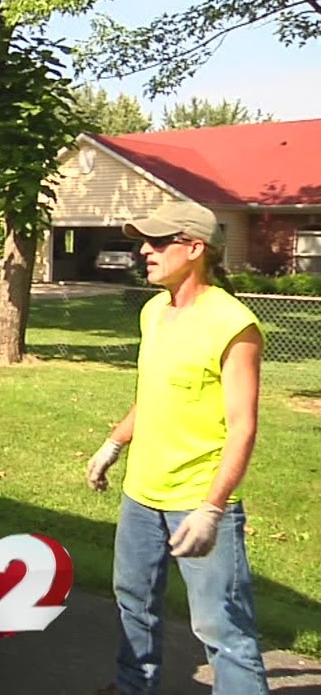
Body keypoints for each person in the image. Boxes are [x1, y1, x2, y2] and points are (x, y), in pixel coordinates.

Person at [85, 201, 271, 695]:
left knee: (221, 627)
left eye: (160, 241)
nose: (145, 250)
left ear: (195, 248)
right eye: (145, 241)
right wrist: (114, 442)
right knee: (133, 602)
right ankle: (132, 687)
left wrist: (212, 509)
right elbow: (154, 394)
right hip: (142, 494)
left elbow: (243, 427)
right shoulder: (153, 312)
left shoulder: (233, 324)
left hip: (196, 498)